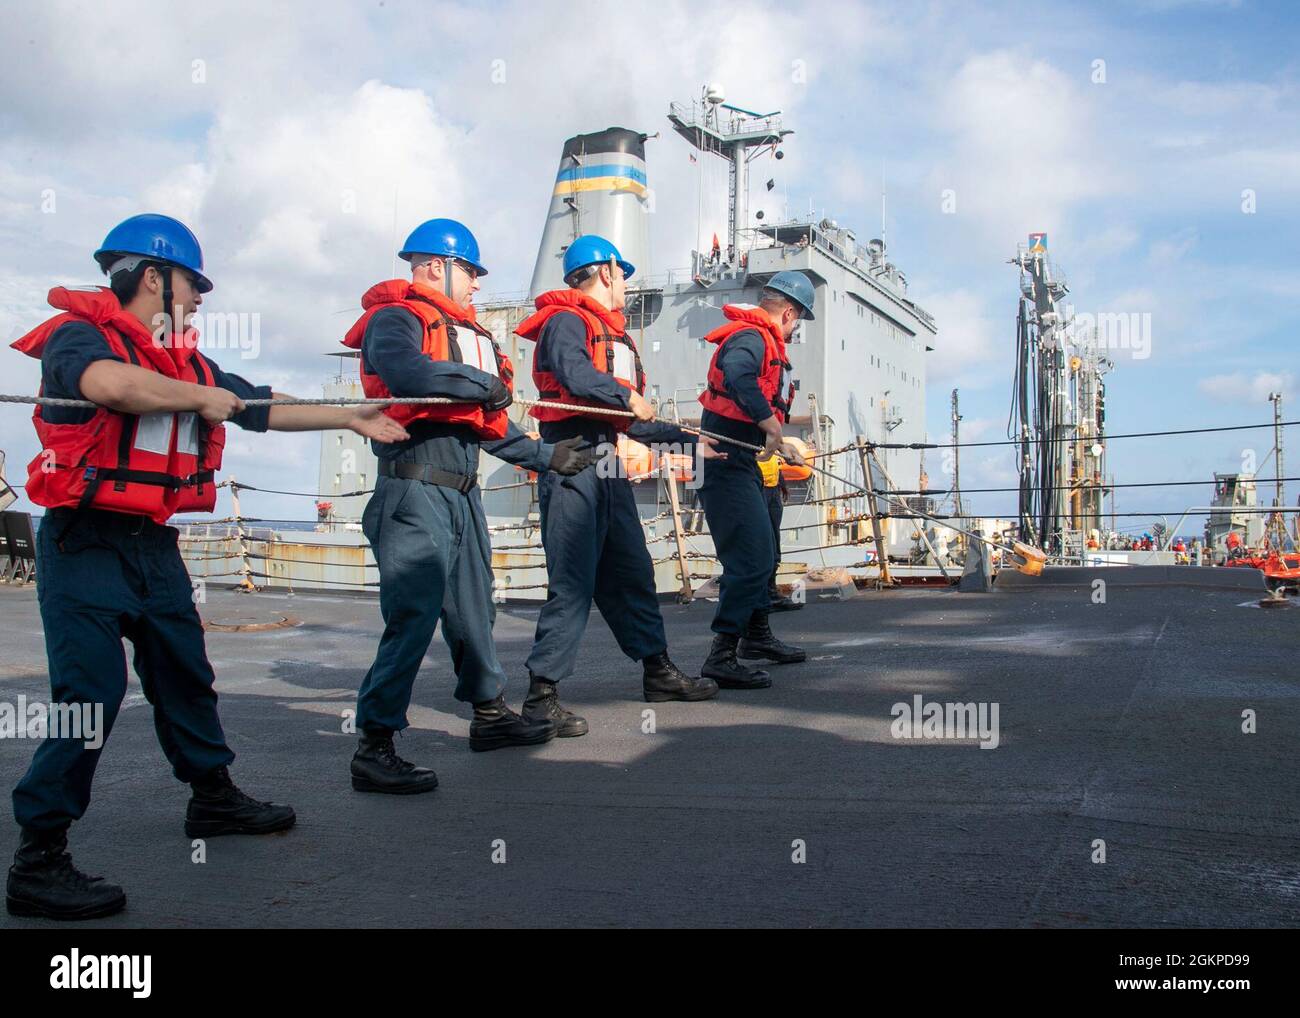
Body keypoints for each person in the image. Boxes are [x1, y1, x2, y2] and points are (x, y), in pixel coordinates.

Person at [6, 214, 410, 920]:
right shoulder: (83, 338)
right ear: (153, 276)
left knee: (186, 676)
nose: (198, 298)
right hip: (84, 543)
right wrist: (200, 398)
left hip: (152, 546)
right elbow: (107, 387)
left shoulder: (191, 364)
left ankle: (213, 799)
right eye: (193, 283)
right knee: (90, 692)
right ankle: (39, 857)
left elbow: (260, 407)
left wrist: (348, 417)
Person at [341, 218, 597, 792]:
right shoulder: (396, 319)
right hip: (413, 488)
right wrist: (480, 383)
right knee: (412, 616)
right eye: (471, 273)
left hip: (461, 493)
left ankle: (489, 715)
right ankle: (374, 745)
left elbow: (485, 428)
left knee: (474, 609)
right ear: (436, 266)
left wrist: (546, 457)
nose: (477, 286)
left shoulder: (461, 334)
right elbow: (407, 373)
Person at [514, 235, 720, 735]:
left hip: (608, 462)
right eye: (622, 273)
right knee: (573, 583)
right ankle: (541, 696)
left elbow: (632, 421)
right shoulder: (567, 322)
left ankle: (658, 672)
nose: (626, 283)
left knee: (632, 573)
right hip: (573, 460)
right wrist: (624, 395)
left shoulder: (613, 336)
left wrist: (694, 442)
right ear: (606, 270)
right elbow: (574, 374)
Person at [695, 270, 813, 689]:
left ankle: (757, 637)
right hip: (724, 463)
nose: (796, 328)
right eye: (798, 320)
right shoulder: (751, 338)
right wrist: (771, 425)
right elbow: (738, 375)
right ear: (789, 313)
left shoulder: (762, 340)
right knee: (750, 558)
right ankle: (721, 655)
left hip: (744, 461)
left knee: (764, 554)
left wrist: (777, 437)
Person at [759, 450, 799, 611]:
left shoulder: (770, 437)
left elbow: (774, 461)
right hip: (757, 487)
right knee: (763, 540)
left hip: (773, 489)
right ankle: (764, 595)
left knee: (774, 541)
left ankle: (771, 592)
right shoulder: (753, 434)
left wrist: (781, 483)